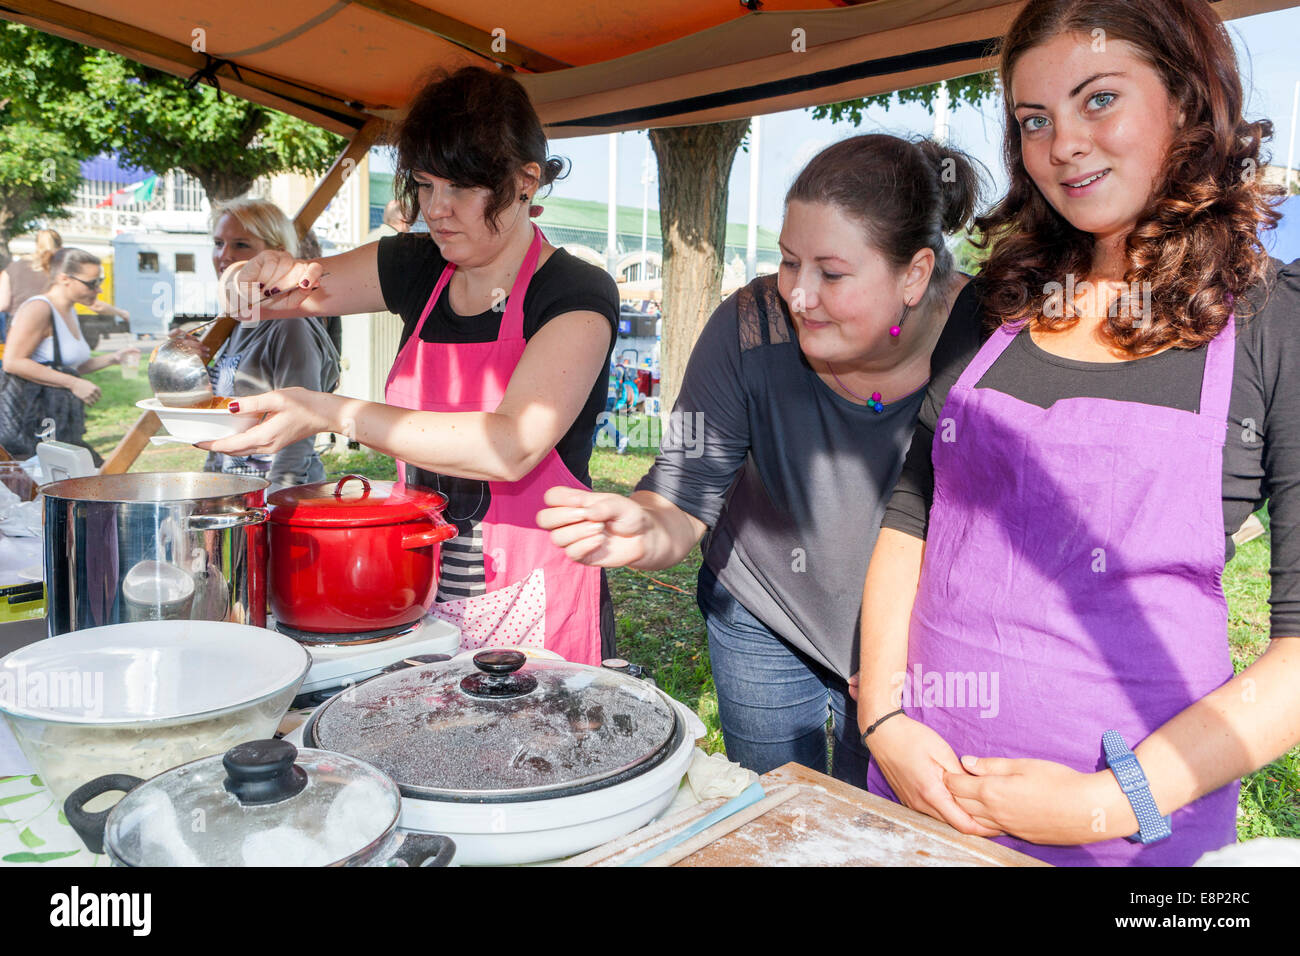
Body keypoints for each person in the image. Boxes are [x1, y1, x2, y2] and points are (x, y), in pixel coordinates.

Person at [858, 0, 1300, 866]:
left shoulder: (1275, 320)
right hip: (920, 792)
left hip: (1130, 834)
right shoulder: (996, 301)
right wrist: (883, 720)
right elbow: (911, 513)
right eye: (1034, 120)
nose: (1062, 143)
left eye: (1098, 99)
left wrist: (1109, 800)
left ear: (1186, 98)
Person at [537, 135, 981, 784]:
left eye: (831, 273)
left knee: (881, 828)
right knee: (771, 809)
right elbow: (681, 491)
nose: (798, 296)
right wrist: (645, 525)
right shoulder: (748, 324)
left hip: (915, 640)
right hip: (763, 614)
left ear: (915, 274)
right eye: (788, 261)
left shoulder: (992, 340)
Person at [204, 67, 620, 665]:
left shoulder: (574, 291)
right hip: (415, 590)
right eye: (425, 185)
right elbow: (282, 293)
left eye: (461, 188)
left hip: (537, 598)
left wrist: (331, 411)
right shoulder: (413, 265)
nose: (438, 210)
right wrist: (248, 274)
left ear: (526, 180)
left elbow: (510, 445)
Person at [204, 198, 339, 494]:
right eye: (218, 243)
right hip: (236, 491)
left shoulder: (290, 325)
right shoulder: (236, 321)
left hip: (278, 496)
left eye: (241, 245)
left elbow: (302, 422)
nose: (224, 256)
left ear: (276, 254)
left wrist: (277, 501)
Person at [0, 248, 138, 460]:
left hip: (60, 425)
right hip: (32, 425)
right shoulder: (39, 308)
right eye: (91, 283)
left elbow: (70, 366)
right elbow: (13, 362)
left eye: (99, 281)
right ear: (65, 279)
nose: (98, 289)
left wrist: (114, 358)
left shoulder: (69, 310)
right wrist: (74, 383)